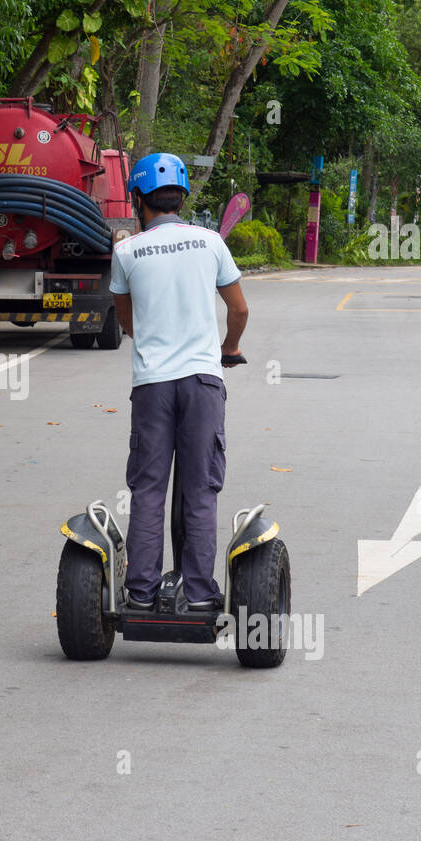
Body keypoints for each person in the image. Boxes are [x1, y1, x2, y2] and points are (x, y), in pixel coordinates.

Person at [108, 153, 249, 610]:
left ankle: (142, 593)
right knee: (200, 487)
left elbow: (127, 322)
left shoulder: (126, 251)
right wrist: (229, 349)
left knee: (148, 489)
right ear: (182, 197)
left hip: (152, 385)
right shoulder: (210, 242)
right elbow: (240, 309)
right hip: (203, 383)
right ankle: (200, 593)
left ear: (137, 199)